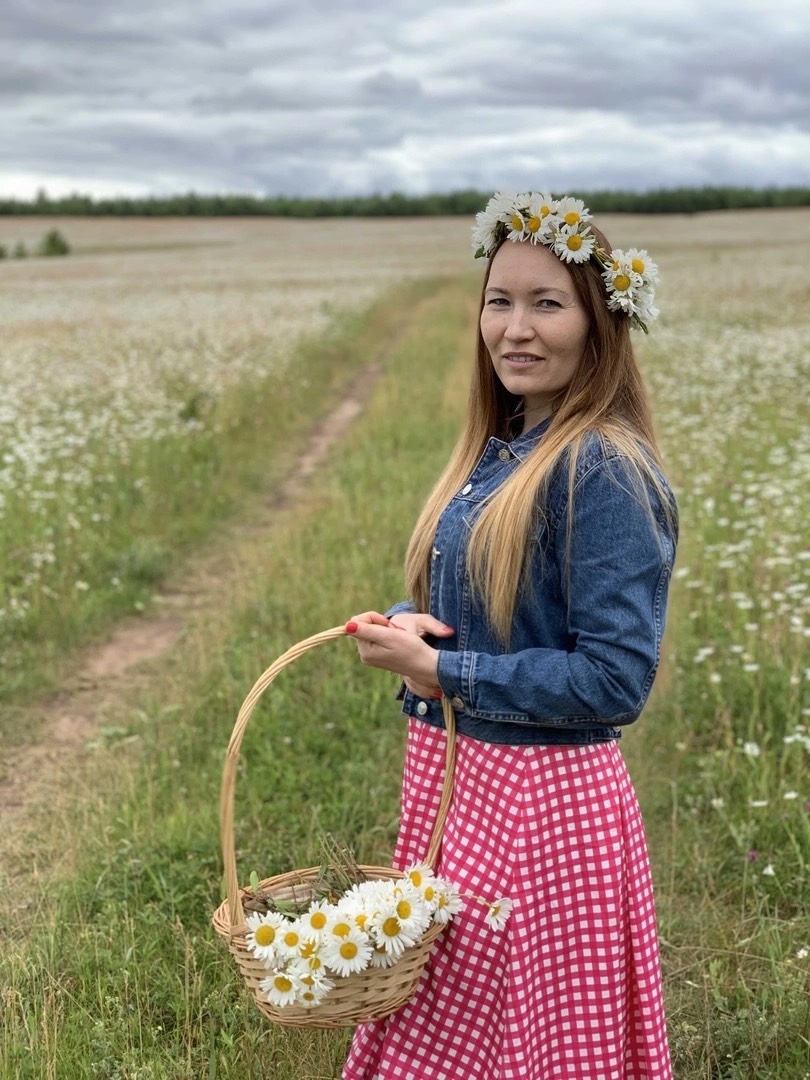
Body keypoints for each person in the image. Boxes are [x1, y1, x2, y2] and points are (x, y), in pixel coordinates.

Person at [343, 191, 677, 1080]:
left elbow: (614, 680)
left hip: (544, 816)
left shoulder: (602, 466)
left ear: (598, 323)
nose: (515, 329)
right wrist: (418, 630)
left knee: (528, 1047)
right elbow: (494, 616)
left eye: (547, 303)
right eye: (500, 301)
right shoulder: (504, 448)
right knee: (462, 1029)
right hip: (470, 788)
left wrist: (445, 671)